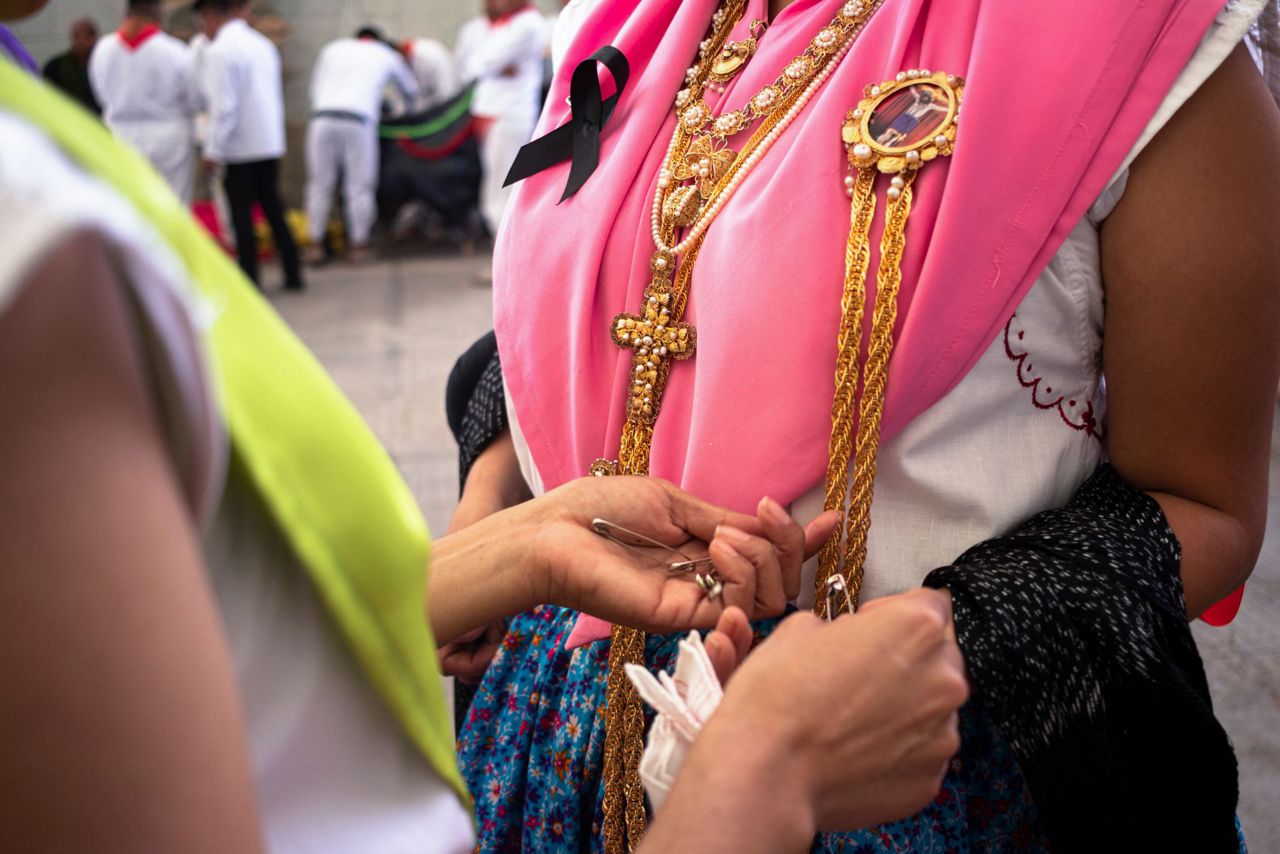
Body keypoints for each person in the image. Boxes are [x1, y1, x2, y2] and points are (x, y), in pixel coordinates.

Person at [0, 8, 971, 848]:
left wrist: (509, 542)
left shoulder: (37, 147)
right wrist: (766, 765)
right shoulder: (31, 233)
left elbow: (198, 635)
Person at [452, 0, 1280, 850]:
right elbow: (590, 321)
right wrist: (493, 515)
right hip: (556, 731)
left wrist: (949, 635)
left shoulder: (1146, 37)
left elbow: (1203, 501)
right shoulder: (617, 23)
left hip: (925, 751)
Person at [196, 0, 303, 292]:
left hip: (240, 147)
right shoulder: (262, 45)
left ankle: (249, 281)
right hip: (267, 142)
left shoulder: (220, 51)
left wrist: (212, 150)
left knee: (241, 217)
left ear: (212, 14)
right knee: (273, 210)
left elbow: (225, 108)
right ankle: (293, 272)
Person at [303, 26, 419, 264]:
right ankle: (358, 247)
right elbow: (411, 92)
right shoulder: (386, 54)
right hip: (358, 121)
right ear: (377, 41)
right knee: (359, 185)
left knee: (319, 184)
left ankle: (314, 246)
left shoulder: (331, 49)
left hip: (321, 119)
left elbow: (314, 90)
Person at [455, 0, 549, 238]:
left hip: (508, 115)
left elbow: (477, 65)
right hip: (496, 114)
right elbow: (468, 66)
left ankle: (507, 265)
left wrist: (488, 64)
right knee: (497, 192)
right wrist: (491, 65)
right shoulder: (504, 25)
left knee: (503, 194)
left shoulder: (526, 24)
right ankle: (503, 263)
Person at [88, 1, 196, 202]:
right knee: (174, 206)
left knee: (130, 206)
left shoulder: (102, 49)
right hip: (169, 136)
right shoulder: (174, 50)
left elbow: (100, 95)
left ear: (126, 12)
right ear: (156, 12)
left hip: (121, 135)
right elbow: (193, 98)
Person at [41, 17, 99, 114]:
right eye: (75, 36)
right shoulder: (55, 67)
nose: (78, 42)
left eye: (82, 36)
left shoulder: (103, 64)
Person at [403, 35, 457, 112]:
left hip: (442, 98)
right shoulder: (422, 46)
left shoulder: (421, 58)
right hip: (451, 85)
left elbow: (421, 88)